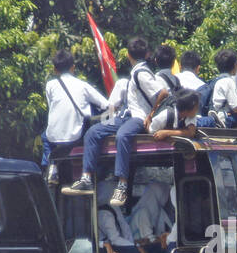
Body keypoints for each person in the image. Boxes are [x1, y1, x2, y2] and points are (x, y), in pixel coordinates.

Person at [68, 37, 171, 207]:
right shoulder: (132, 76)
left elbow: (163, 93)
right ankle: (86, 178)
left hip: (138, 117)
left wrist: (150, 115)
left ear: (128, 56)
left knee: (122, 136)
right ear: (147, 54)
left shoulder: (141, 73)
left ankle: (122, 185)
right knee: (93, 133)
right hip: (124, 117)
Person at [43, 49, 108, 184]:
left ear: (55, 70)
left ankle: (51, 165)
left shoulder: (50, 85)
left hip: (53, 137)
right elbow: (106, 105)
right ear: (73, 68)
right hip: (76, 136)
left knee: (44, 137)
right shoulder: (83, 85)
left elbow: (52, 107)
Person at [96, 179, 142, 253]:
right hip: (104, 247)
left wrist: (134, 244)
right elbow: (114, 238)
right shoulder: (103, 213)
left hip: (112, 244)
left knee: (138, 251)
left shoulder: (113, 208)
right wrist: (133, 247)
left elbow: (125, 231)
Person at [130, 180, 174, 253]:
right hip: (139, 250)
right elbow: (149, 239)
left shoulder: (158, 211)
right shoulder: (143, 212)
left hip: (148, 246)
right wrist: (162, 239)